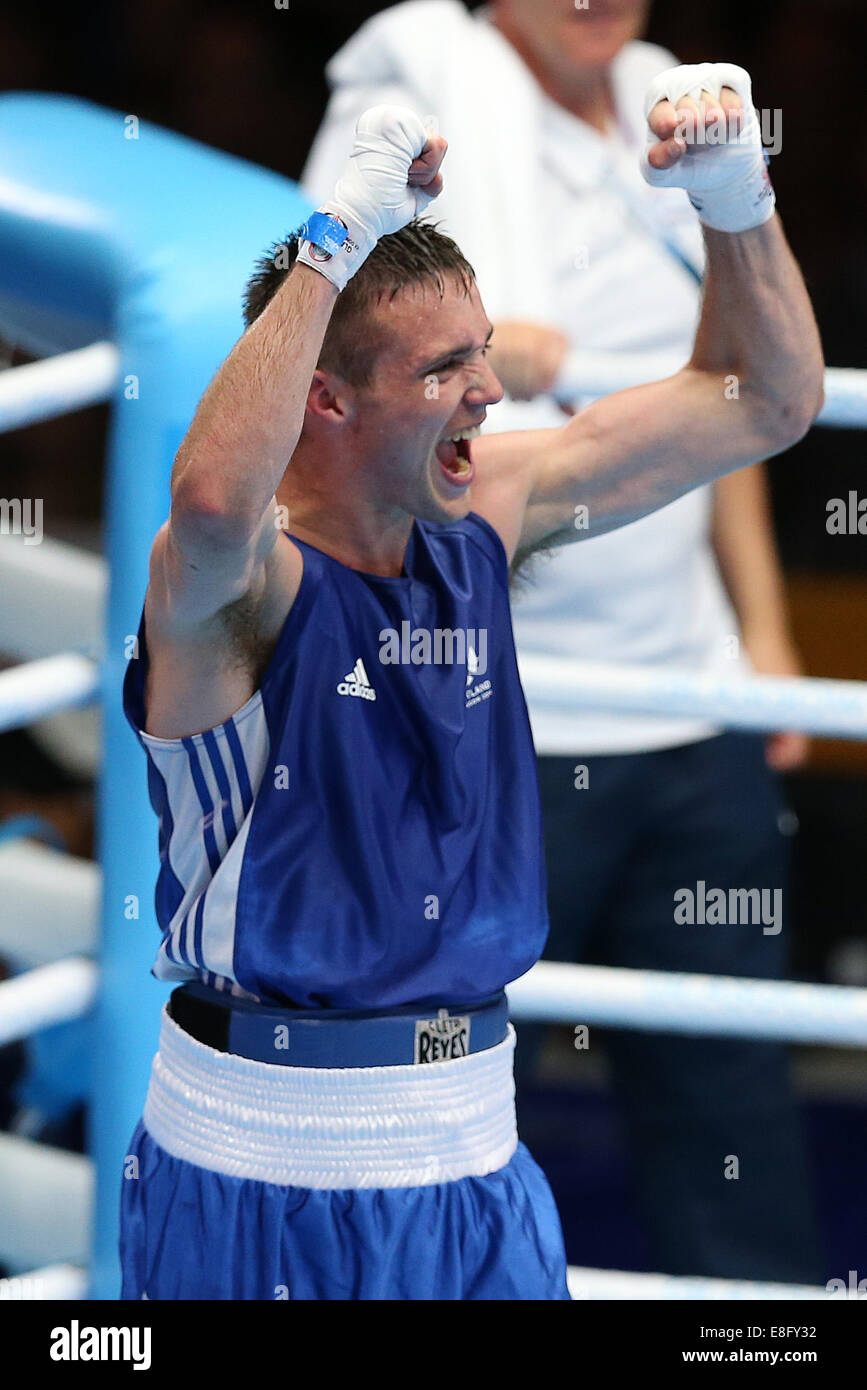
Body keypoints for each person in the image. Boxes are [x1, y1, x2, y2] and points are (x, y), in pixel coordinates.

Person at [119, 68, 823, 1299]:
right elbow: (213, 499)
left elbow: (767, 399)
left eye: (486, 353)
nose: (491, 391)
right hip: (257, 1165)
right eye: (447, 368)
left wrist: (734, 198)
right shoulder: (235, 592)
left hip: (476, 1154)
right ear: (325, 398)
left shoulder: (485, 510)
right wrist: (331, 239)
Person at [303, 0, 821, 1281]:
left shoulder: (669, 101)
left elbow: (739, 406)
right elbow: (295, 375)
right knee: (449, 1115)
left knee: (729, 1109)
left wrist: (761, 633)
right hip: (476, 719)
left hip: (684, 694)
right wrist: (484, 348)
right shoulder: (417, 75)